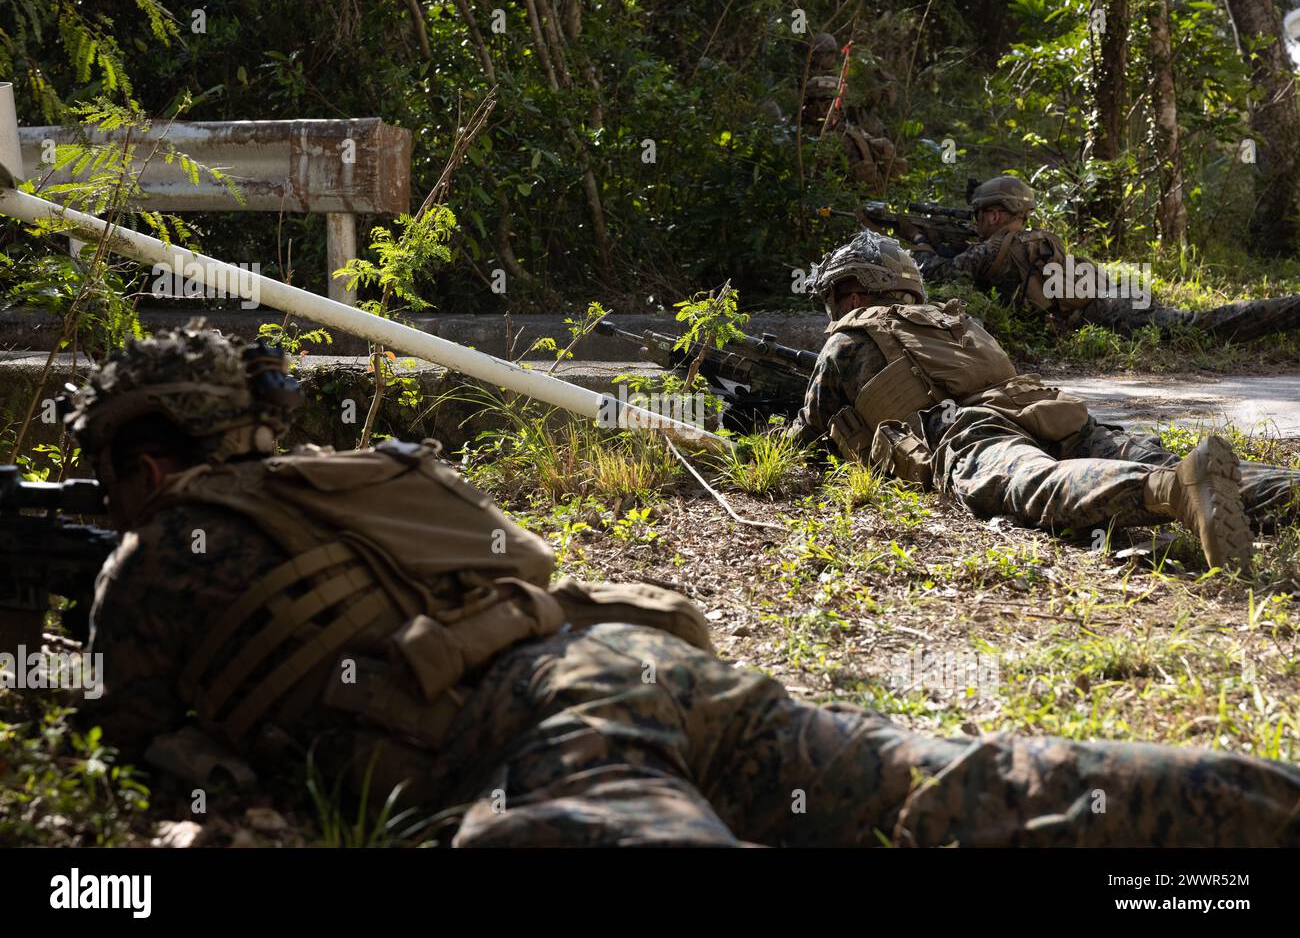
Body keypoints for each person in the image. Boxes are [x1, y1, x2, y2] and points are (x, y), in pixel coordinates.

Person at [69, 322, 1300, 846]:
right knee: (960, 786)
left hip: (539, 740)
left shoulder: (150, 563)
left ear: (150, 458)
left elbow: (123, 746)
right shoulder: (363, 478)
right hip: (655, 670)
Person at [786, 231, 1300, 569]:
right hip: (1039, 405)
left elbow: (805, 439)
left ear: (852, 293)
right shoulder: (956, 318)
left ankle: (1174, 490)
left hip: (967, 428)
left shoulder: (849, 339)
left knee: (1029, 482)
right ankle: (1281, 491)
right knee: (1138, 448)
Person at [900, 175, 1300, 342]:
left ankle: (1290, 310)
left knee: (1200, 325)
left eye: (980, 214)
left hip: (1107, 308)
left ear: (994, 214)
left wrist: (918, 241)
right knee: (1194, 322)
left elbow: (935, 273)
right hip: (1109, 290)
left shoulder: (991, 248)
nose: (978, 222)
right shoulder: (1028, 238)